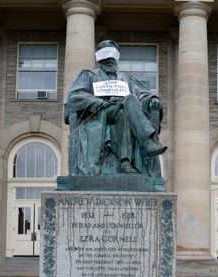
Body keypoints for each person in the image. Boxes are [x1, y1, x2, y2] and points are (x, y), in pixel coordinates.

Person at [64, 40, 167, 177]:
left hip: (121, 111)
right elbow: (74, 97)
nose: (111, 61)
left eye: (113, 57)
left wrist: (152, 99)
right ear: (100, 59)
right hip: (100, 113)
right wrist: (99, 102)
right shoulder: (88, 76)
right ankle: (147, 144)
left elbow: (143, 94)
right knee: (130, 100)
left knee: (126, 108)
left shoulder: (125, 78)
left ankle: (125, 162)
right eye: (107, 57)